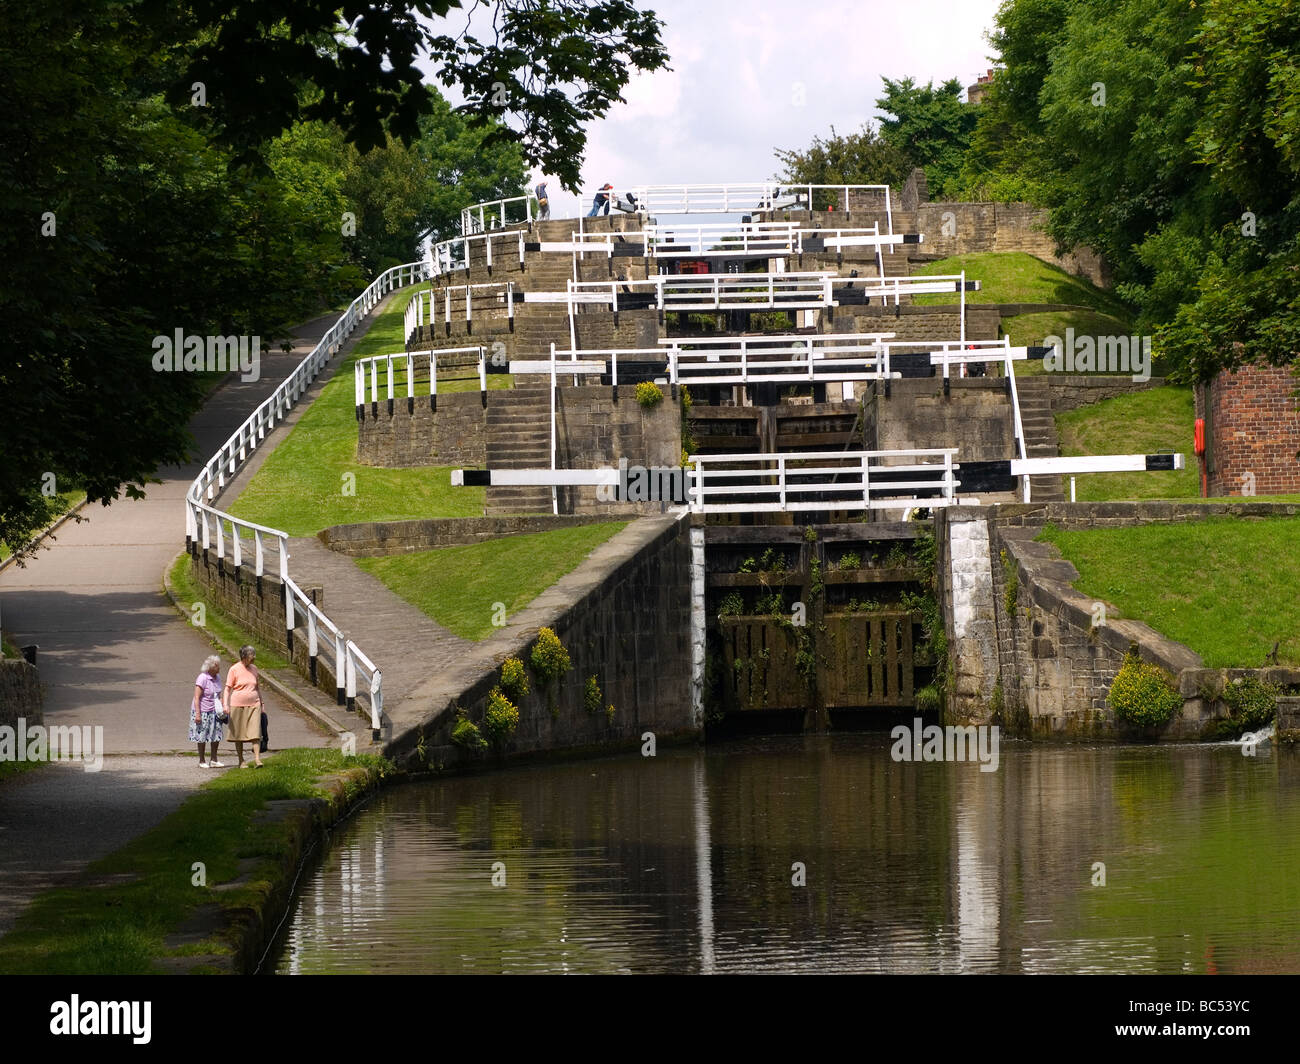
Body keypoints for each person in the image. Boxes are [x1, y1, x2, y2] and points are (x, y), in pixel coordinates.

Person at [224, 645, 265, 768]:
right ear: (244, 656)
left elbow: (257, 688)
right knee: (239, 734)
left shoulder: (254, 668)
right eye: (252, 655)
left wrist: (262, 704)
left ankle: (257, 760)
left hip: (254, 704)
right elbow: (227, 689)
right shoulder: (234, 669)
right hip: (237, 705)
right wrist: (225, 705)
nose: (254, 657)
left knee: (255, 733)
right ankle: (241, 761)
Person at [190, 655, 225, 768]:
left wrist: (223, 707)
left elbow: (219, 694)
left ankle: (214, 759)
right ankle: (202, 760)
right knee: (202, 735)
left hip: (215, 710)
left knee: (216, 734)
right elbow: (197, 697)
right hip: (203, 710)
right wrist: (198, 714)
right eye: (217, 666)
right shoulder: (202, 678)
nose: (219, 668)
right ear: (210, 667)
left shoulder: (217, 677)